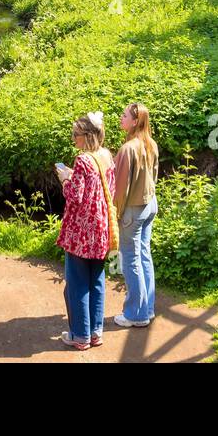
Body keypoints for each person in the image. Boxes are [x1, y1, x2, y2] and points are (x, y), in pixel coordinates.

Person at [56, 112, 115, 350]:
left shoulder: (83, 161)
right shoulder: (106, 156)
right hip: (101, 228)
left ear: (87, 136)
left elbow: (75, 196)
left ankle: (80, 336)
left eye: (76, 135)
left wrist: (64, 179)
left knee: (78, 282)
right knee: (97, 281)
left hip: (82, 230)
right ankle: (95, 333)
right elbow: (107, 188)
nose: (74, 140)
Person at [112, 103, 159, 329]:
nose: (120, 118)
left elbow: (120, 188)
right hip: (150, 204)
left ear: (135, 121)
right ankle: (147, 309)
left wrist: (116, 212)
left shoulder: (128, 149)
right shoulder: (151, 144)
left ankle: (135, 314)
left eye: (124, 115)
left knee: (130, 259)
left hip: (133, 209)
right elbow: (155, 176)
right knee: (144, 255)